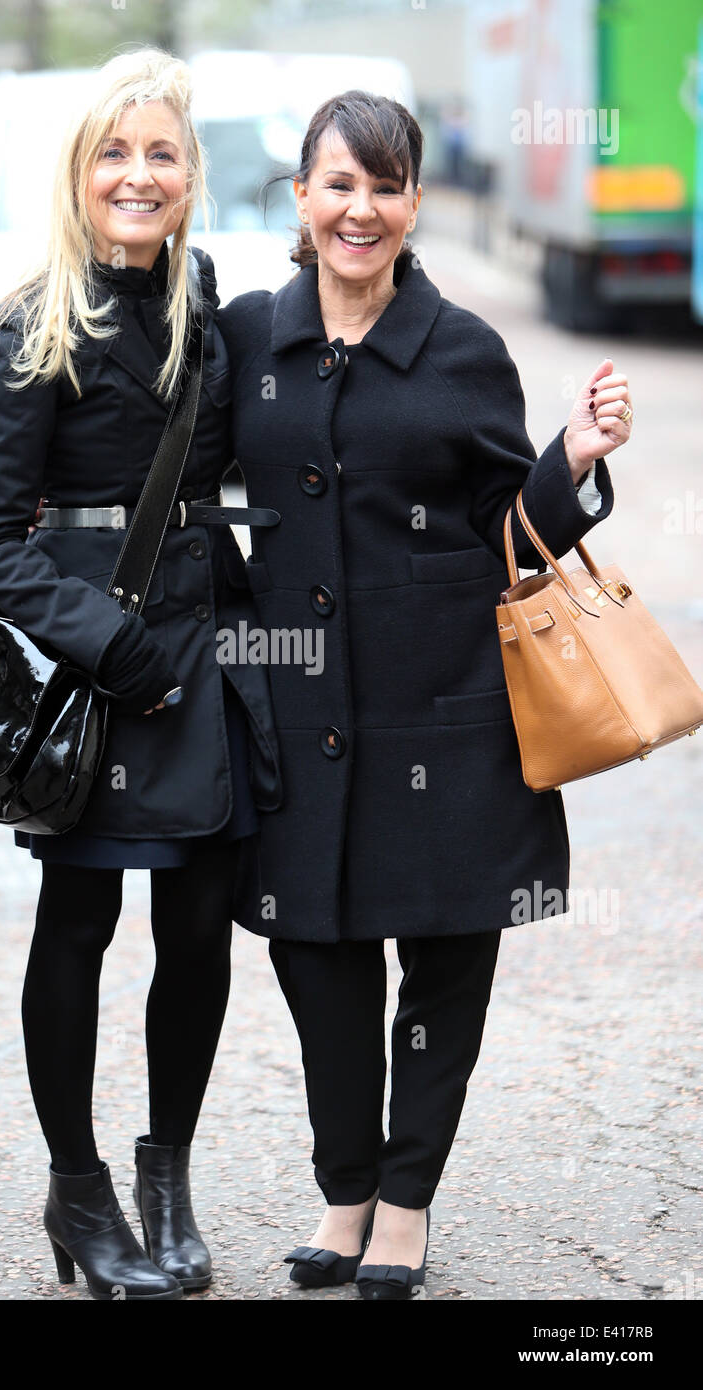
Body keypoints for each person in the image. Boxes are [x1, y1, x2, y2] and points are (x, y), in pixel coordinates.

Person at [217, 90, 632, 1299]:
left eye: (385, 185)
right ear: (299, 197)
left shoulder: (461, 350)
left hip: (447, 717)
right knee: (320, 969)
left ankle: (402, 1210)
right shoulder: (248, 338)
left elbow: (512, 535)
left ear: (412, 204)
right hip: (298, 719)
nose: (362, 208)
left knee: (442, 970)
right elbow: (186, 484)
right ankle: (341, 1197)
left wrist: (570, 463)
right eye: (338, 184)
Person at [0, 48, 281, 1301]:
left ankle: (168, 1178)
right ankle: (76, 1191)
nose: (136, 175)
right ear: (79, 176)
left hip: (206, 659)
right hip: (98, 673)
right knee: (79, 926)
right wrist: (108, 640)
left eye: (159, 154)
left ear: (190, 175)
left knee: (198, 929)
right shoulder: (33, 325)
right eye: (113, 153)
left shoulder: (206, 300)